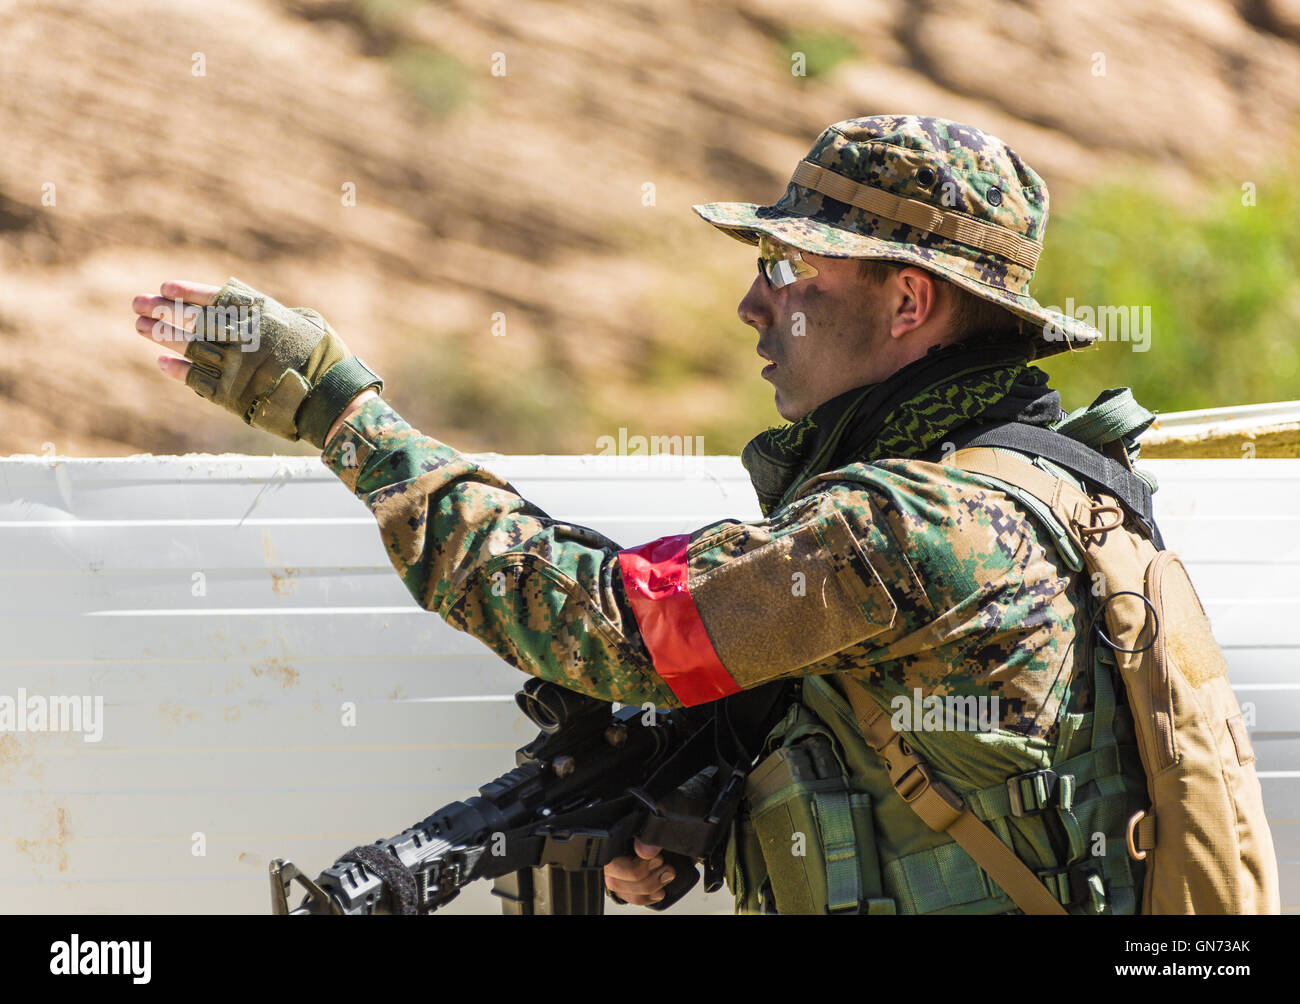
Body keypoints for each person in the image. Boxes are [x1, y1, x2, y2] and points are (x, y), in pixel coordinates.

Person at [131, 115, 1153, 915]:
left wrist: (334, 407)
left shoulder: (908, 524)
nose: (755, 303)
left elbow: (608, 620)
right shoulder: (1063, 488)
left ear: (908, 304)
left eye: (790, 268)